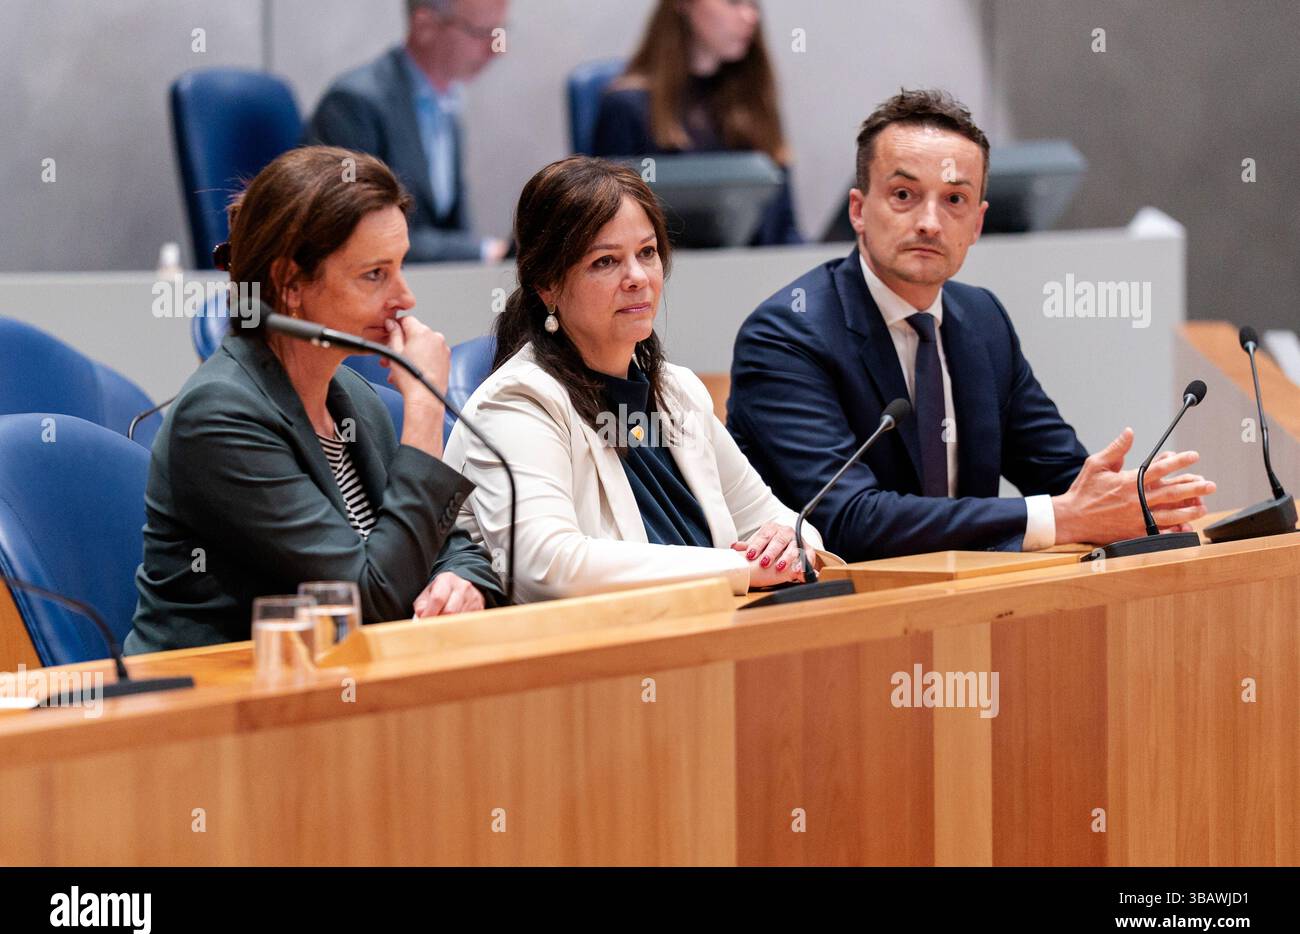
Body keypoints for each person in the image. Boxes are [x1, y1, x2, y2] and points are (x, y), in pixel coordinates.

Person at [726, 89, 1216, 561]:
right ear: (858, 210)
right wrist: (1062, 519)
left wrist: (1137, 507)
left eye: (954, 200)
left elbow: (1062, 477)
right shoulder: (787, 335)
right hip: (830, 616)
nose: (930, 223)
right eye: (903, 194)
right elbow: (848, 520)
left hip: (971, 608)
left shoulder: (981, 320)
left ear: (977, 224)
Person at [126, 146, 503, 654]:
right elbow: (364, 601)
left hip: (326, 686)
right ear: (290, 284)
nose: (405, 297)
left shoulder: (351, 397)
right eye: (375, 275)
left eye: (400, 267)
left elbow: (447, 541)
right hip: (210, 707)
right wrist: (424, 410)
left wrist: (463, 582)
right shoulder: (219, 417)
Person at [442, 156, 824, 603]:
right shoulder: (517, 403)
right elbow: (546, 566)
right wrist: (741, 568)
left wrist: (786, 543)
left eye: (647, 253)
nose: (638, 278)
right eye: (606, 261)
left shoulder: (679, 392)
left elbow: (786, 525)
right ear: (546, 285)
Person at [303, 0, 509, 263]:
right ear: (424, 26)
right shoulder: (354, 103)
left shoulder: (447, 100)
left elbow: (451, 226)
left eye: (500, 32)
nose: (498, 49)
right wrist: (483, 251)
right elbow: (356, 230)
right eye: (481, 32)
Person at [591, 0, 800, 246]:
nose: (750, 16)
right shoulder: (627, 108)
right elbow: (609, 232)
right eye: (733, 2)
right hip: (665, 275)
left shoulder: (753, 102)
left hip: (760, 272)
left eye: (753, 4)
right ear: (683, 5)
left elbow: (785, 229)